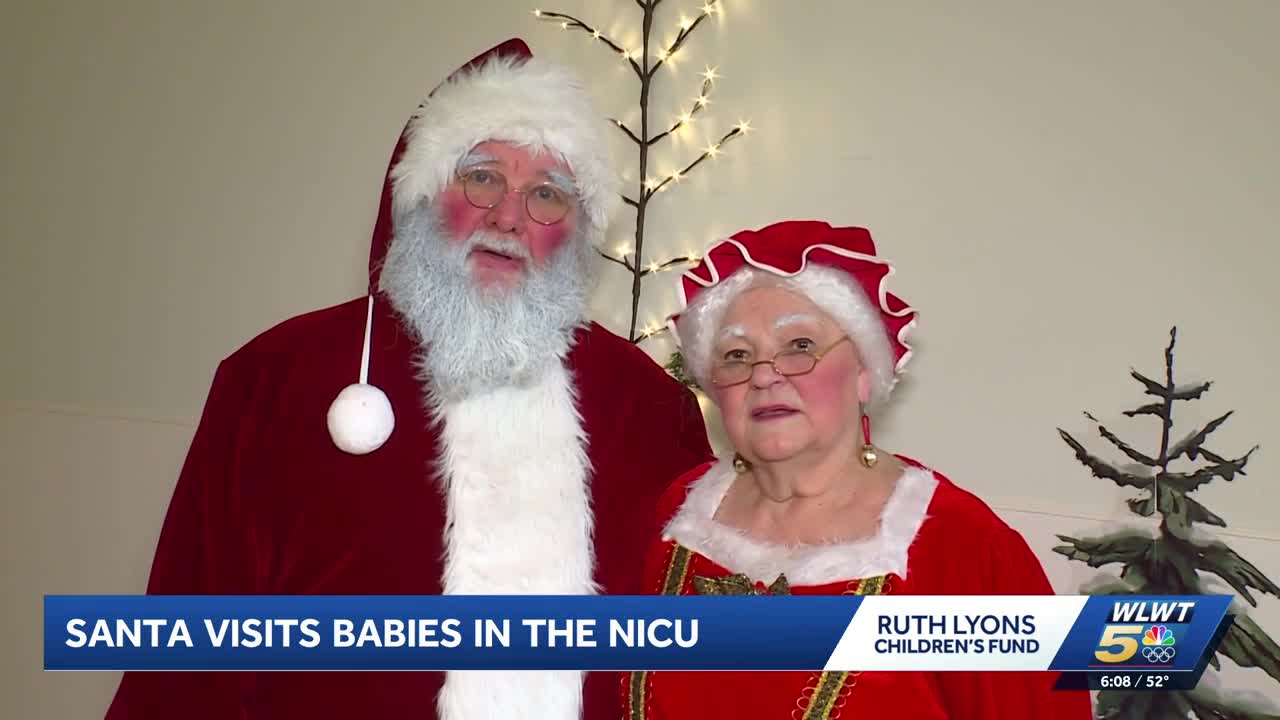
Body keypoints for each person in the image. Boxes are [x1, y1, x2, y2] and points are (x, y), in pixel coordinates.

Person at [106, 38, 713, 720]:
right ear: (423, 195)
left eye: (546, 195)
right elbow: (188, 660)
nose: (508, 217)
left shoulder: (647, 407)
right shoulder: (275, 380)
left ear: (576, 230)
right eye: (482, 178)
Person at [623, 220, 1092, 719]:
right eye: (736, 355)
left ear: (866, 372)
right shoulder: (682, 514)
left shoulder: (963, 548)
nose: (763, 376)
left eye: (800, 346)